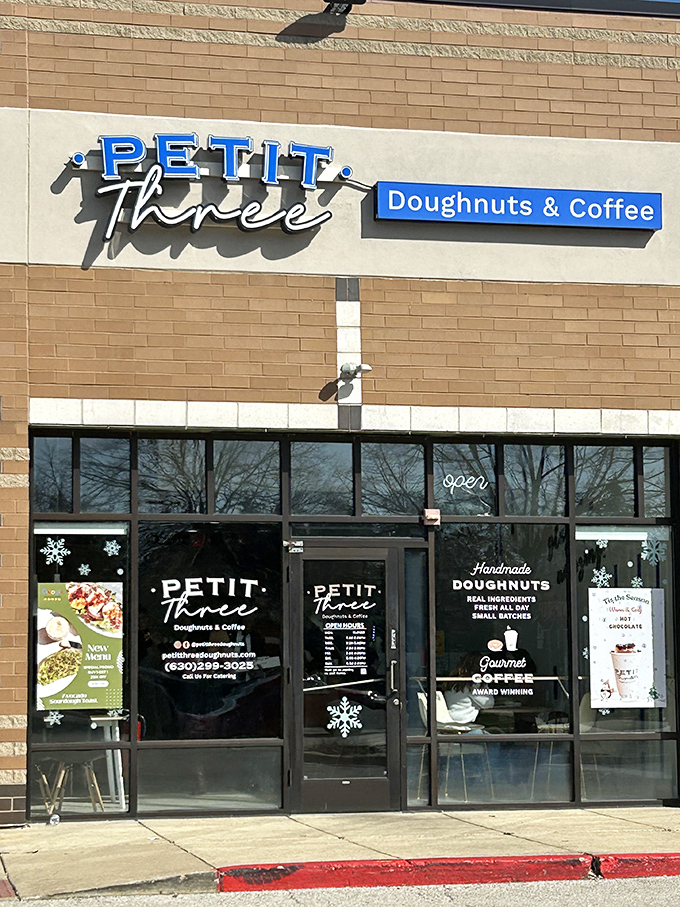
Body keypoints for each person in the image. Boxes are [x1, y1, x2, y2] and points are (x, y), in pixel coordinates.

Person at [444, 652, 494, 729]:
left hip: (451, 719)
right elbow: (488, 703)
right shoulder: (472, 685)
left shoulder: (453, 683)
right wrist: (484, 686)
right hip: (464, 723)